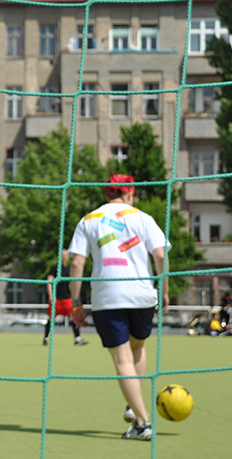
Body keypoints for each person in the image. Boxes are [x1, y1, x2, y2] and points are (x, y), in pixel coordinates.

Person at [69, 174, 170, 441]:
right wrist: (164, 290)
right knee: (138, 348)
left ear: (106, 194)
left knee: (122, 359)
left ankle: (142, 423)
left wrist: (76, 303)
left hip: (108, 296)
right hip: (142, 294)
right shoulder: (143, 218)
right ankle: (133, 405)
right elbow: (161, 255)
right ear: (130, 192)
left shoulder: (89, 219)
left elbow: (77, 264)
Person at [43, 250, 88, 346]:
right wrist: (51, 295)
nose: (64, 257)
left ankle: (77, 338)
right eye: (62, 255)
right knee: (51, 319)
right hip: (56, 299)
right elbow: (49, 281)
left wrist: (74, 296)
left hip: (67, 299)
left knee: (74, 317)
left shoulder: (70, 269)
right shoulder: (55, 268)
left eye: (66, 255)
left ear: (68, 257)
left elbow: (72, 284)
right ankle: (46, 338)